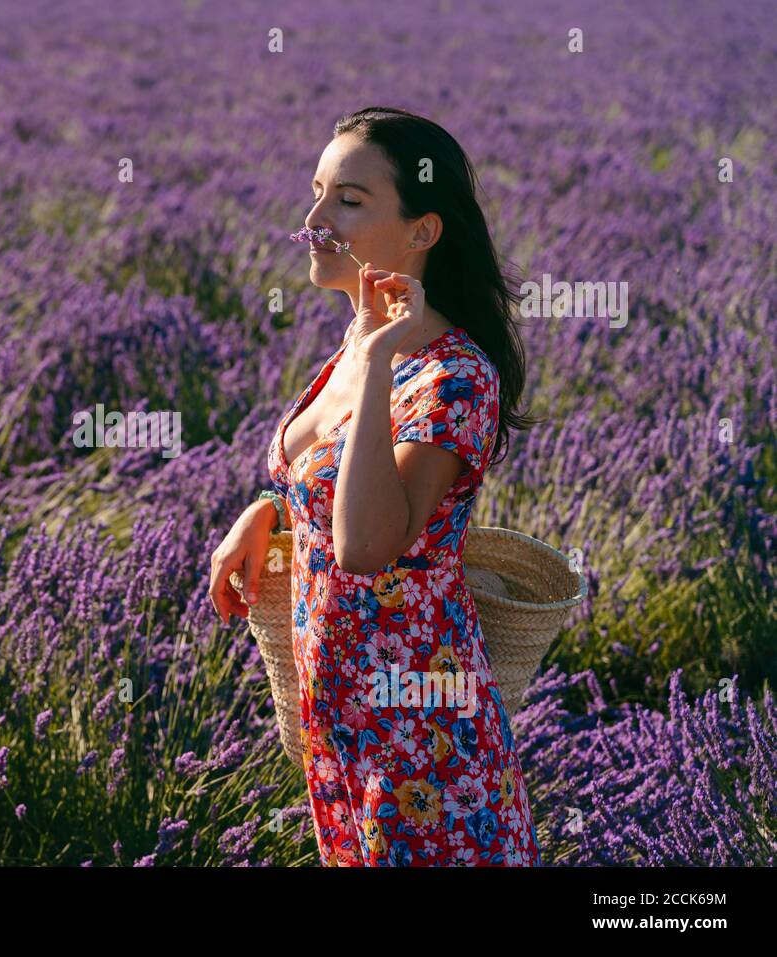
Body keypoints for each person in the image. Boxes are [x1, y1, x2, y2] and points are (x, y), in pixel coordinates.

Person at [209, 106, 541, 866]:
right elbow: (327, 484)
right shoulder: (356, 342)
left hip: (423, 749)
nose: (315, 218)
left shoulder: (452, 378)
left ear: (423, 231)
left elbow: (366, 544)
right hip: (342, 732)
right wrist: (267, 511)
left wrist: (389, 349)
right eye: (318, 192)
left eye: (349, 201)